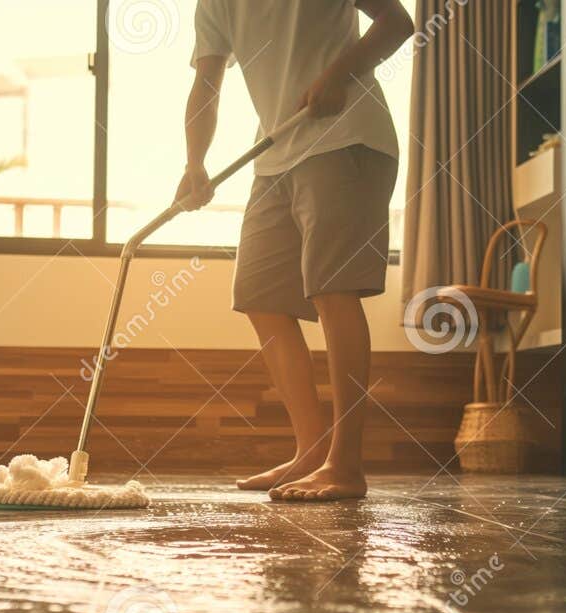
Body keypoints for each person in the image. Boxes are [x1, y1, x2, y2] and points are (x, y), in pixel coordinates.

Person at [176, 0, 414, 502]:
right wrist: (194, 162)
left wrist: (338, 73)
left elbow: (397, 21)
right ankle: (312, 449)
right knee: (260, 296)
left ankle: (345, 466)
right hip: (274, 155)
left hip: (345, 137)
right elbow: (206, 84)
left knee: (333, 291)